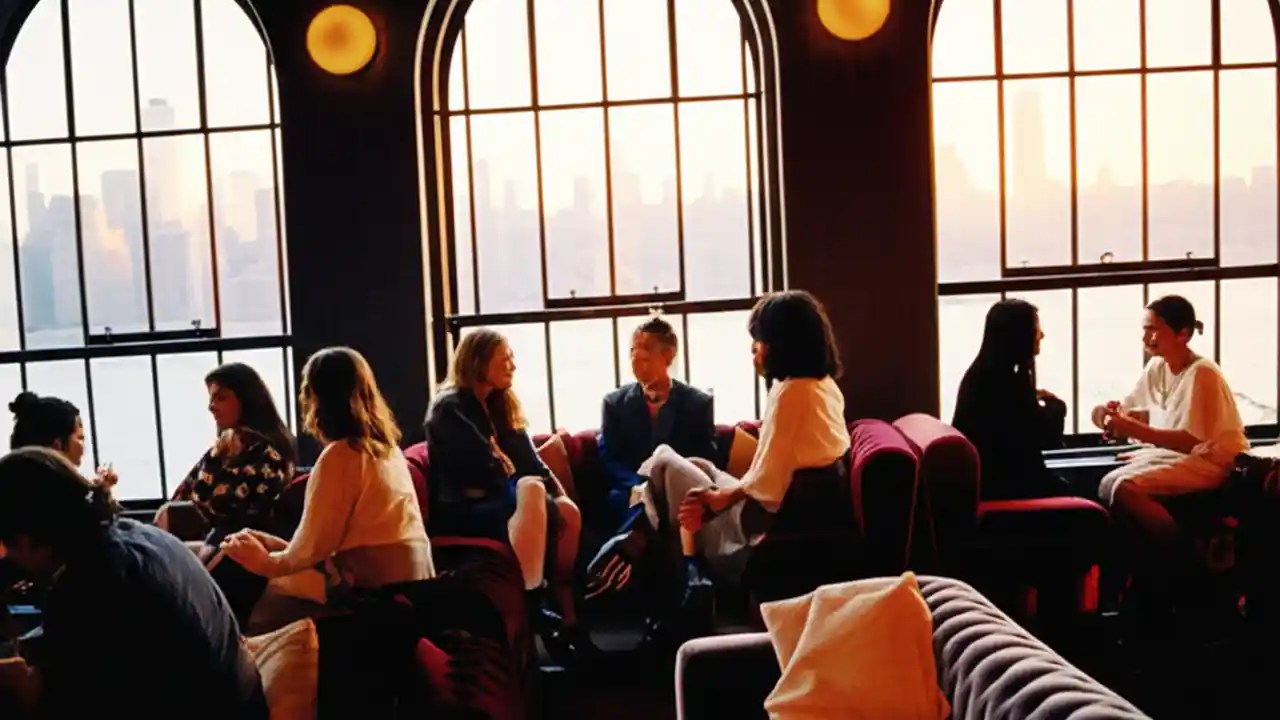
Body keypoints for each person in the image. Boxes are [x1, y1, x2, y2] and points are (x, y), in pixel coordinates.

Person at [0, 447, 266, 719]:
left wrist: (19, 682)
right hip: (243, 700)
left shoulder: (89, 581)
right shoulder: (138, 536)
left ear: (25, 539)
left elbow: (60, 701)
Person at [640, 291, 850, 605]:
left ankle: (678, 567)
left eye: (759, 342)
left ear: (781, 344)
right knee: (697, 466)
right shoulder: (823, 386)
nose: (754, 352)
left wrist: (717, 499)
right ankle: (683, 563)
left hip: (753, 535)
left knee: (663, 461)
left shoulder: (793, 396)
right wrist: (720, 492)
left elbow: (767, 490)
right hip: (775, 516)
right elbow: (769, 473)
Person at [220, 347, 433, 627]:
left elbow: (313, 549)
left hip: (372, 588)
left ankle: (258, 661)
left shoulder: (341, 455)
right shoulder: (386, 450)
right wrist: (276, 548)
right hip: (414, 581)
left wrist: (263, 562)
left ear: (315, 398)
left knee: (258, 585)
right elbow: (325, 544)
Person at [423, 328, 593, 662]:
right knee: (531, 490)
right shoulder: (449, 407)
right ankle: (534, 603)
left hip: (500, 497)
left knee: (566, 511)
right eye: (505, 358)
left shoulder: (500, 404)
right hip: (466, 507)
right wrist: (506, 466)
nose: (513, 365)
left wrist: (560, 495)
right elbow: (481, 468)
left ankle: (566, 610)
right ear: (478, 361)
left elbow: (527, 461)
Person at [1091, 296, 1247, 615]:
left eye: (1154, 330)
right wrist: (1110, 417)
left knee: (1125, 488)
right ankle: (1149, 562)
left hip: (1215, 460)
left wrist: (1131, 427)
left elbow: (1190, 440)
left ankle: (1184, 559)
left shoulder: (1203, 373)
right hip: (1181, 455)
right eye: (1145, 330)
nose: (1146, 338)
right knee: (1108, 483)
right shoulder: (1157, 367)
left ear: (1183, 334)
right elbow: (1139, 411)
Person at [586, 317, 716, 600]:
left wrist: (661, 485)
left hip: (676, 491)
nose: (635, 359)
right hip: (630, 489)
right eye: (632, 352)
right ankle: (683, 583)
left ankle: (621, 553)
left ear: (667, 355)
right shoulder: (615, 403)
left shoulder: (697, 403)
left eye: (644, 353)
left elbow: (704, 457)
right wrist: (640, 485)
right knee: (638, 503)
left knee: (668, 505)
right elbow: (609, 458)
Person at [161, 363, 297, 550]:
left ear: (246, 400)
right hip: (208, 541)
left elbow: (244, 518)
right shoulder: (226, 443)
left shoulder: (267, 454)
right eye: (211, 398)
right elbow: (186, 490)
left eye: (221, 398)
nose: (211, 407)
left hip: (237, 548)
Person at [951, 298, 1071, 500]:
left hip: (994, 481)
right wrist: (1057, 406)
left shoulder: (985, 374)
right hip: (1004, 487)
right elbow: (1043, 438)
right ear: (1020, 335)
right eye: (1035, 329)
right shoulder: (1001, 381)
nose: (1041, 335)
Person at [8, 392, 116, 490]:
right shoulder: (65, 491)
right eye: (80, 438)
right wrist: (102, 494)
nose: (83, 448)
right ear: (57, 445)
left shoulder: (9, 481)